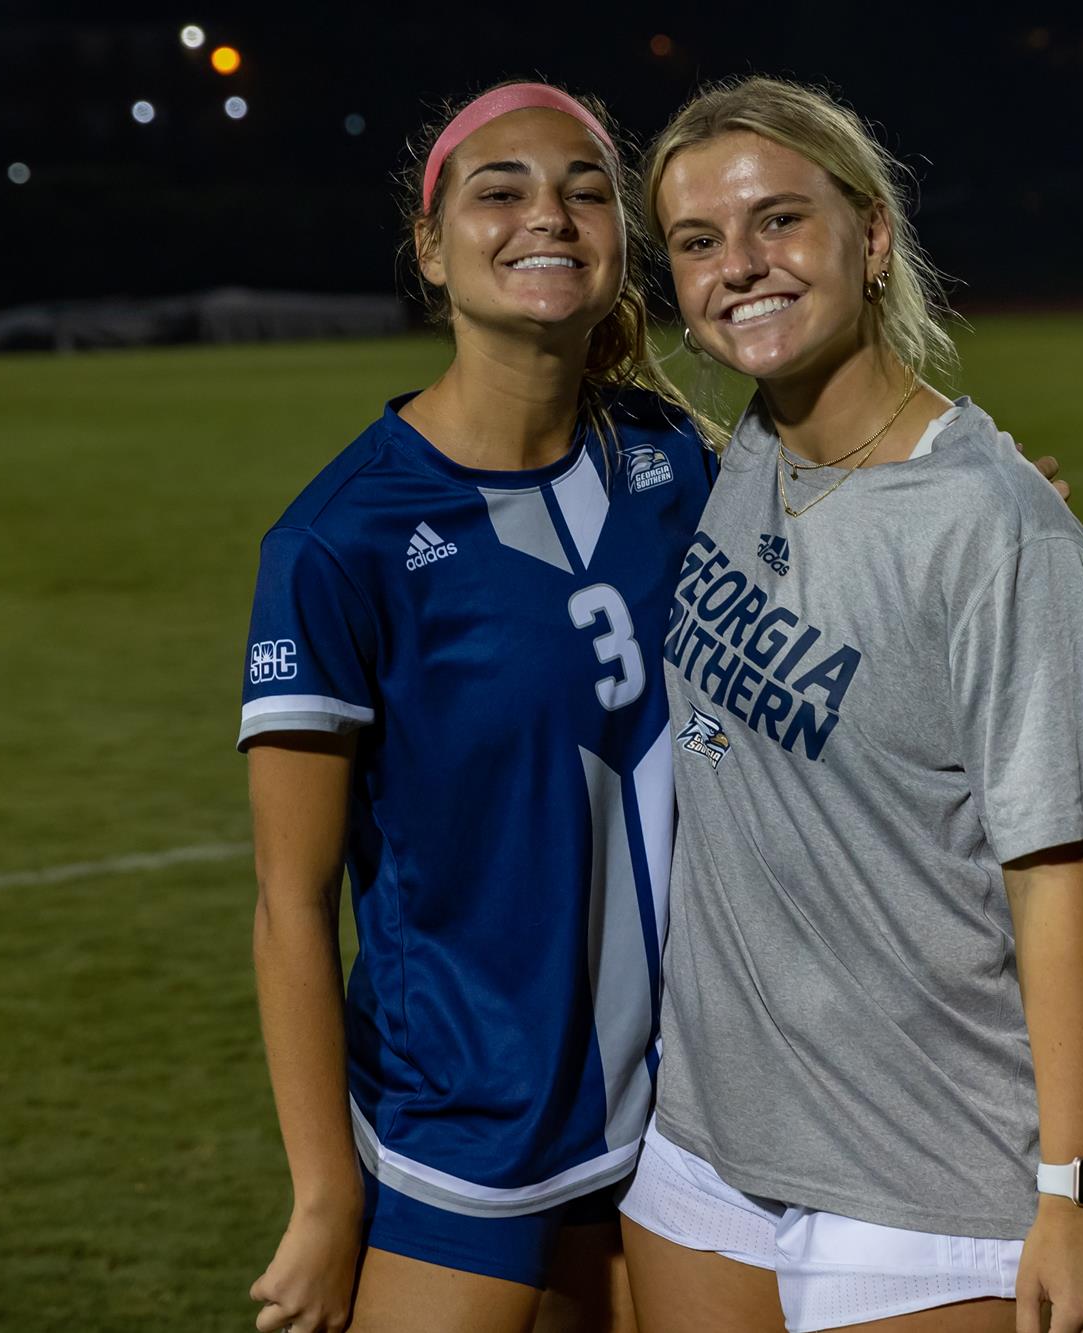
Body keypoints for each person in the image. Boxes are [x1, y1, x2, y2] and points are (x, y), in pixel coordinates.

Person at [618, 77, 1083, 1333]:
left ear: (870, 237)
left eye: (777, 222)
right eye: (697, 243)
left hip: (916, 1173)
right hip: (699, 1147)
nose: (738, 266)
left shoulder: (990, 523)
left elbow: (1053, 880)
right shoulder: (739, 452)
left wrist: (1076, 1192)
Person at [235, 82, 717, 1333]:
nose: (544, 213)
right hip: (466, 1122)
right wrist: (324, 1197)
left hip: (688, 1111)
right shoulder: (342, 541)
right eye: (496, 190)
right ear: (429, 244)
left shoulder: (678, 464)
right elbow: (289, 904)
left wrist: (973, 500)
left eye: (585, 188)